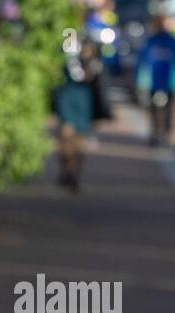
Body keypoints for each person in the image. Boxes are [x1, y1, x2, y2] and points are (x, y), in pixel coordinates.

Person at [53, 26, 110, 191]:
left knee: (80, 139)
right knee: (66, 134)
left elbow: (95, 68)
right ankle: (65, 169)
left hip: (84, 97)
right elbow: (67, 62)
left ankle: (74, 173)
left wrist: (91, 60)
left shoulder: (91, 30)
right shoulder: (70, 32)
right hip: (68, 94)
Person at [136, 15, 175, 147]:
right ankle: (157, 133)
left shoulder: (172, 42)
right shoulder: (151, 41)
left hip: (169, 83)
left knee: (167, 110)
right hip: (156, 83)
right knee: (156, 110)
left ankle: (163, 134)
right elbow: (144, 63)